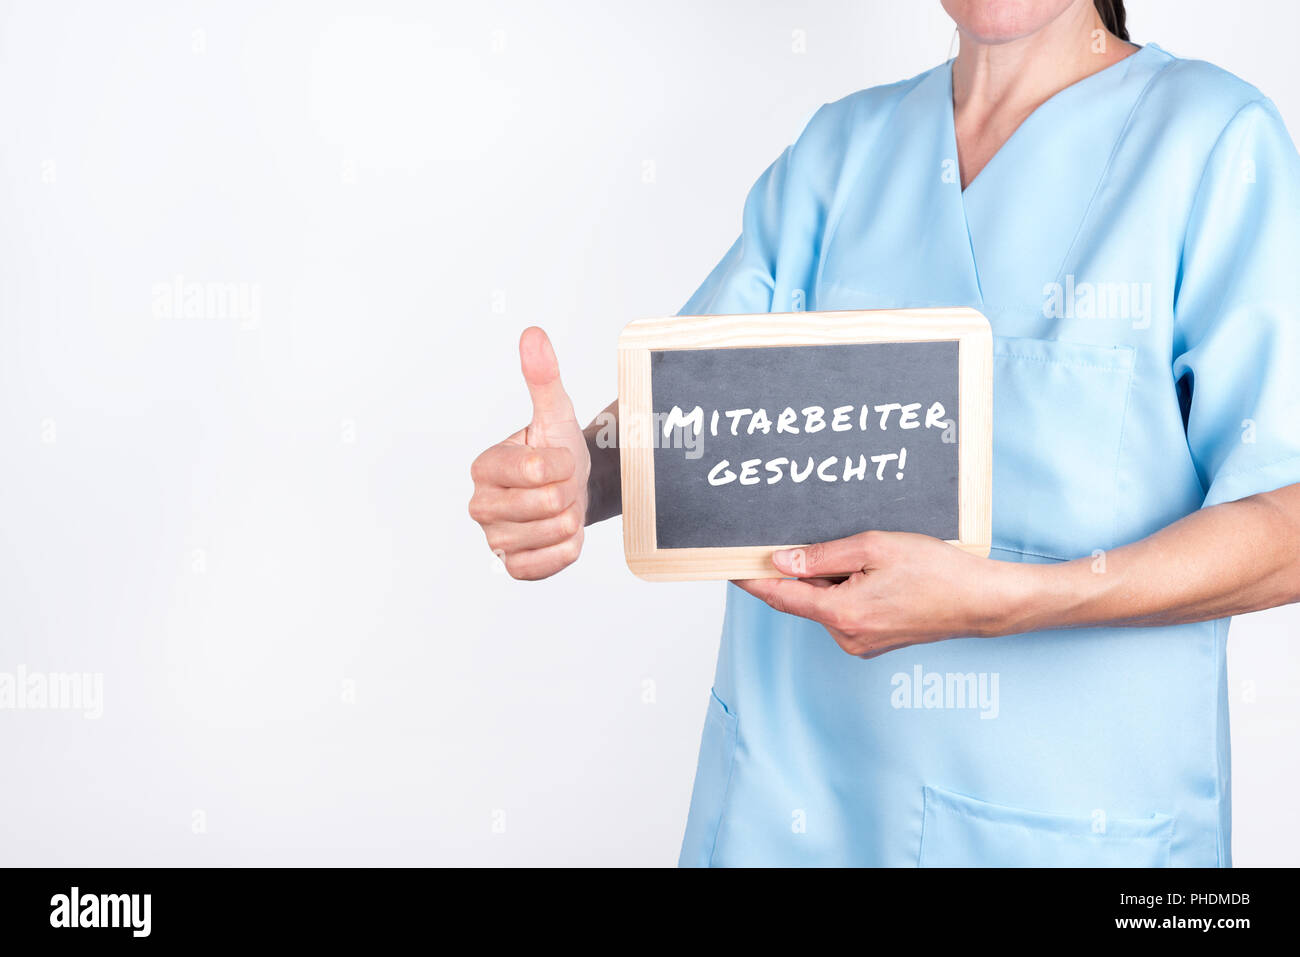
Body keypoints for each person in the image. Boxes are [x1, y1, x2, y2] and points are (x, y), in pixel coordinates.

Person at [468, 0, 1300, 866]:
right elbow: (684, 414)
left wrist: (1014, 600)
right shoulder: (840, 152)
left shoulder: (1213, 143)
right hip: (785, 811)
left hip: (1066, 831)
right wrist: (577, 473)